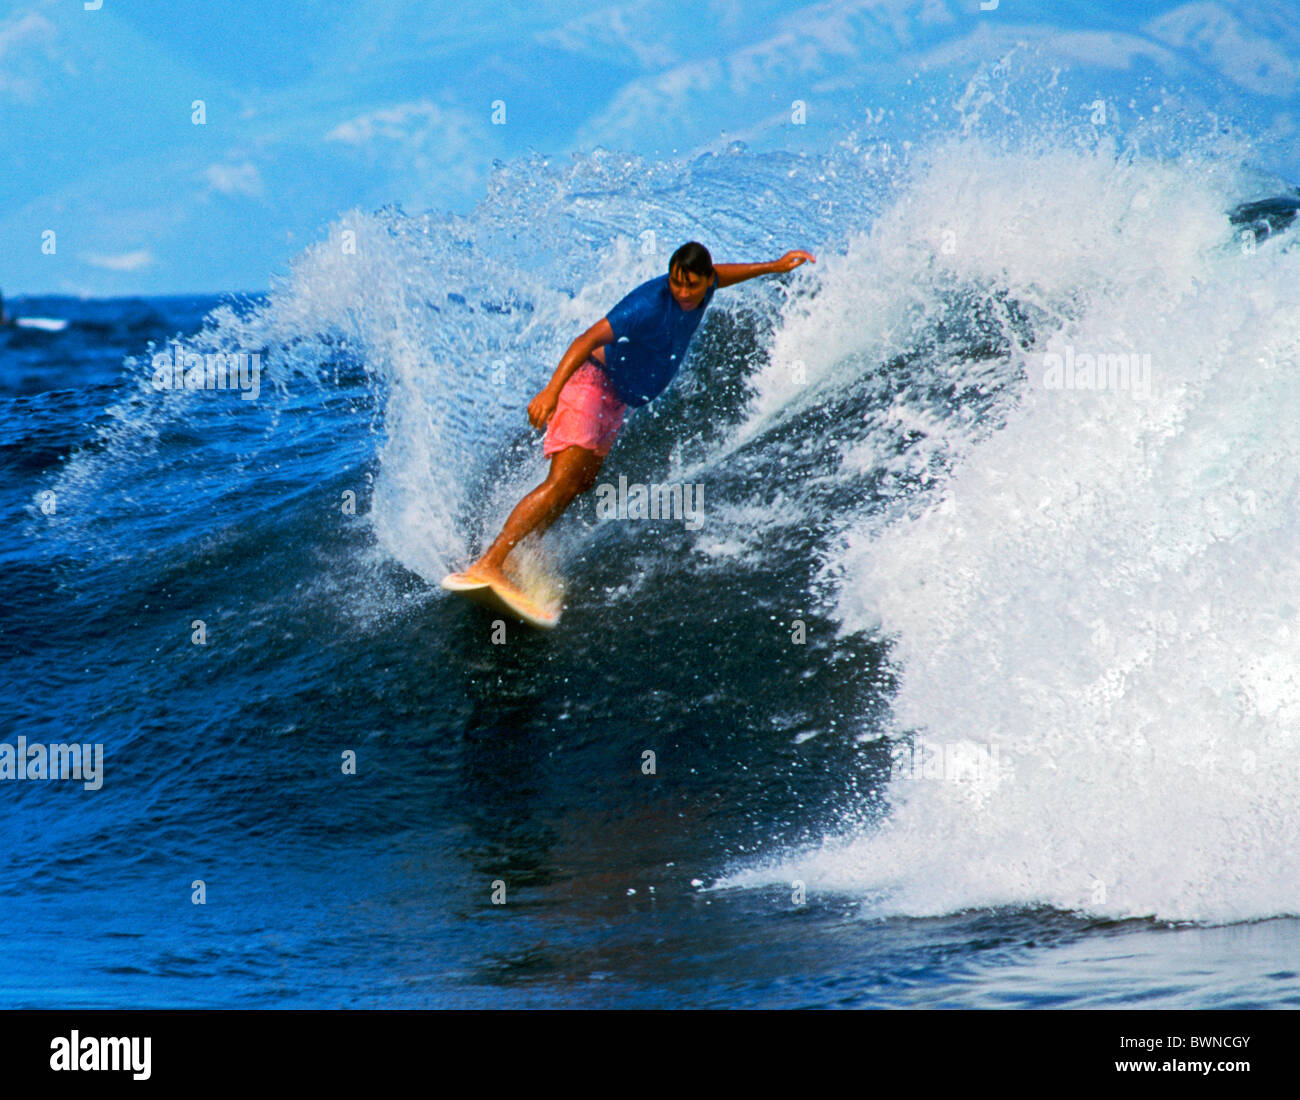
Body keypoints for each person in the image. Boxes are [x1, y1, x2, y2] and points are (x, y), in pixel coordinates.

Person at [464, 240, 815, 591]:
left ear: (705, 280)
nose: (682, 291)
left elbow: (722, 274)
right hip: (591, 383)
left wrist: (774, 266)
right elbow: (585, 338)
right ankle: (490, 563)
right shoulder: (647, 304)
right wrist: (551, 391)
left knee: (581, 482)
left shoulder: (705, 288)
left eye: (691, 284)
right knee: (561, 481)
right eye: (676, 282)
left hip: (616, 398)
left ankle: (522, 549)